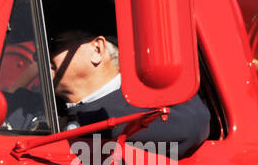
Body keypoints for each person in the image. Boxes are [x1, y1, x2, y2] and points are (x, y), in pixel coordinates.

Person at [49, 29, 210, 157]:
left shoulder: (148, 99)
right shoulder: (40, 106)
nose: (39, 54)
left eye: (53, 45)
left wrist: (80, 122)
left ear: (97, 50)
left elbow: (191, 126)